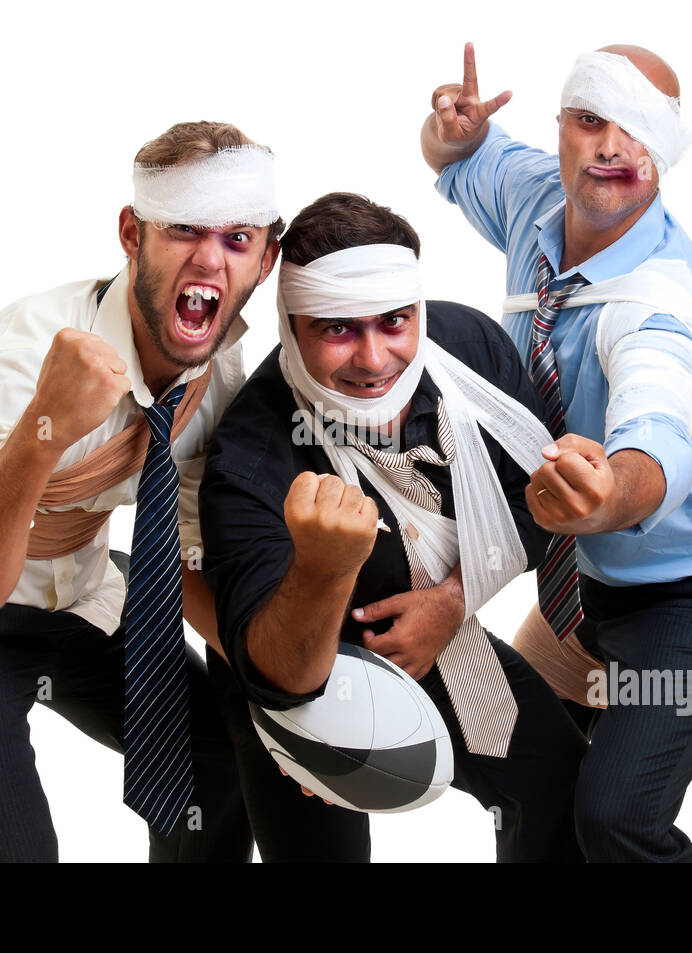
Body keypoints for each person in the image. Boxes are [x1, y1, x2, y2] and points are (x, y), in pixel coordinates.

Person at [0, 120, 282, 862]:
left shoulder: (217, 376)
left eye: (237, 239)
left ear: (267, 259)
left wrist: (294, 703)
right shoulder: (24, 351)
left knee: (225, 753)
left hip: (79, 591)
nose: (210, 257)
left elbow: (186, 560)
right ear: (131, 233)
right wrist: (44, 429)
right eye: (183, 230)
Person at [421, 43, 692, 861]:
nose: (611, 148)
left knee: (615, 818)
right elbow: (466, 162)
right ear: (560, 127)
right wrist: (451, 136)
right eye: (591, 120)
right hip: (593, 588)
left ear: (665, 154)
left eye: (638, 132)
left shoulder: (660, 300)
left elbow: (656, 436)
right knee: (519, 767)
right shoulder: (538, 199)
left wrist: (606, 498)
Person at [199, 192, 588, 862]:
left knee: (562, 789)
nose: (376, 359)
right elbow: (273, 671)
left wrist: (453, 599)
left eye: (394, 322)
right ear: (292, 327)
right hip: (289, 663)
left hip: (429, 631)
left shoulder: (470, 354)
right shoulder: (251, 454)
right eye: (338, 329)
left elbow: (544, 504)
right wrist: (321, 568)